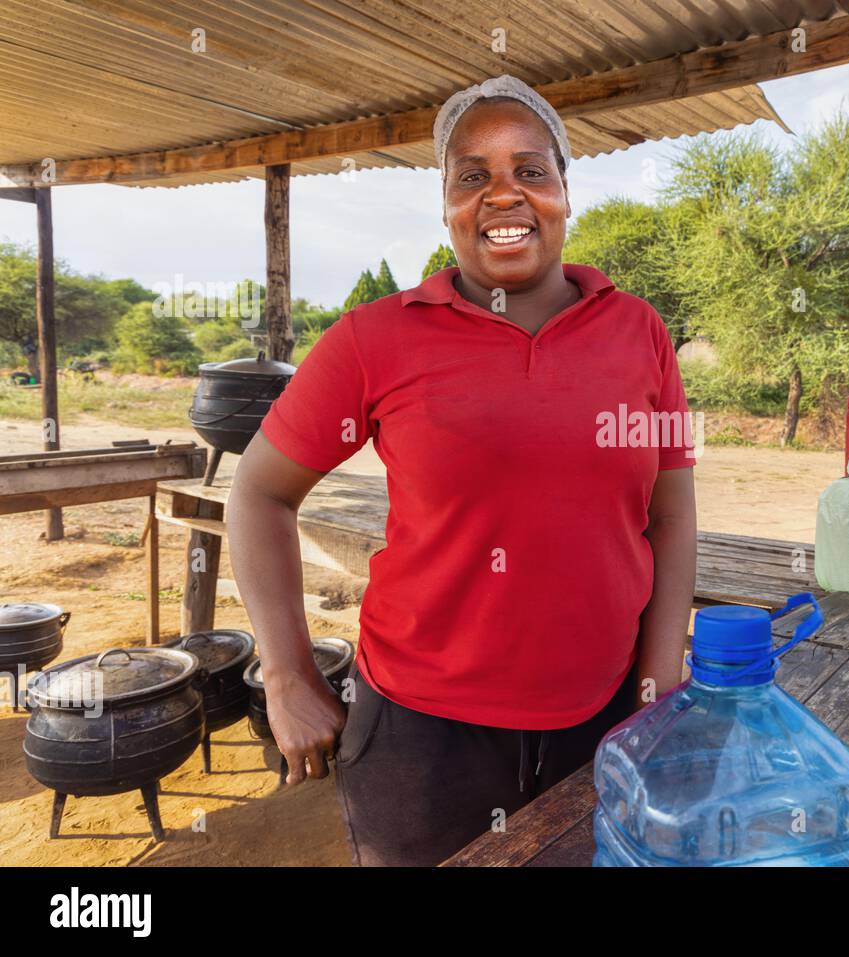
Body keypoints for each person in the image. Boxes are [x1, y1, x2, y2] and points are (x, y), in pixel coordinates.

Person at [227, 74, 697, 866]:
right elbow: (259, 492)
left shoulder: (638, 330)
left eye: (530, 170)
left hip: (607, 716)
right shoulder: (374, 339)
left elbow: (672, 509)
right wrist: (286, 673)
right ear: (447, 206)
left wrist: (659, 674)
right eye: (473, 176)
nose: (503, 195)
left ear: (564, 192)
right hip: (420, 736)